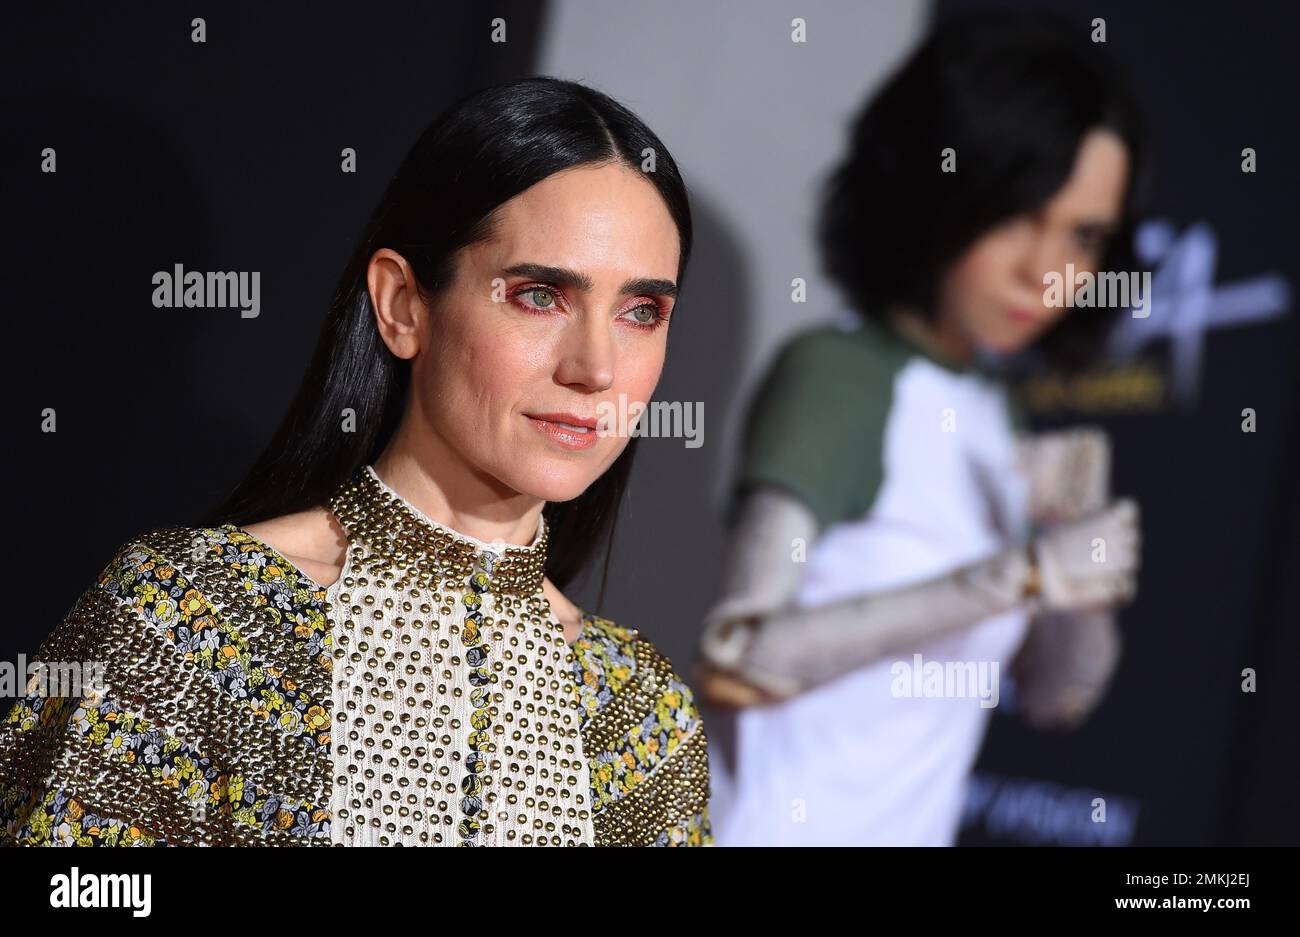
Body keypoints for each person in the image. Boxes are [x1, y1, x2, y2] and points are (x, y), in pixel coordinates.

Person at [0, 77, 711, 847]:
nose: (597, 368)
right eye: (540, 295)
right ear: (403, 304)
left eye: (642, 312)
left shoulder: (643, 720)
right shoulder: (192, 614)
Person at [696, 12, 1145, 846]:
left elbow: (1058, 697)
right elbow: (739, 654)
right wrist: (1022, 572)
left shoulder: (995, 409)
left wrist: (1073, 559)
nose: (1045, 272)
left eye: (1082, 236)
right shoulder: (841, 375)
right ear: (946, 188)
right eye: (1018, 214)